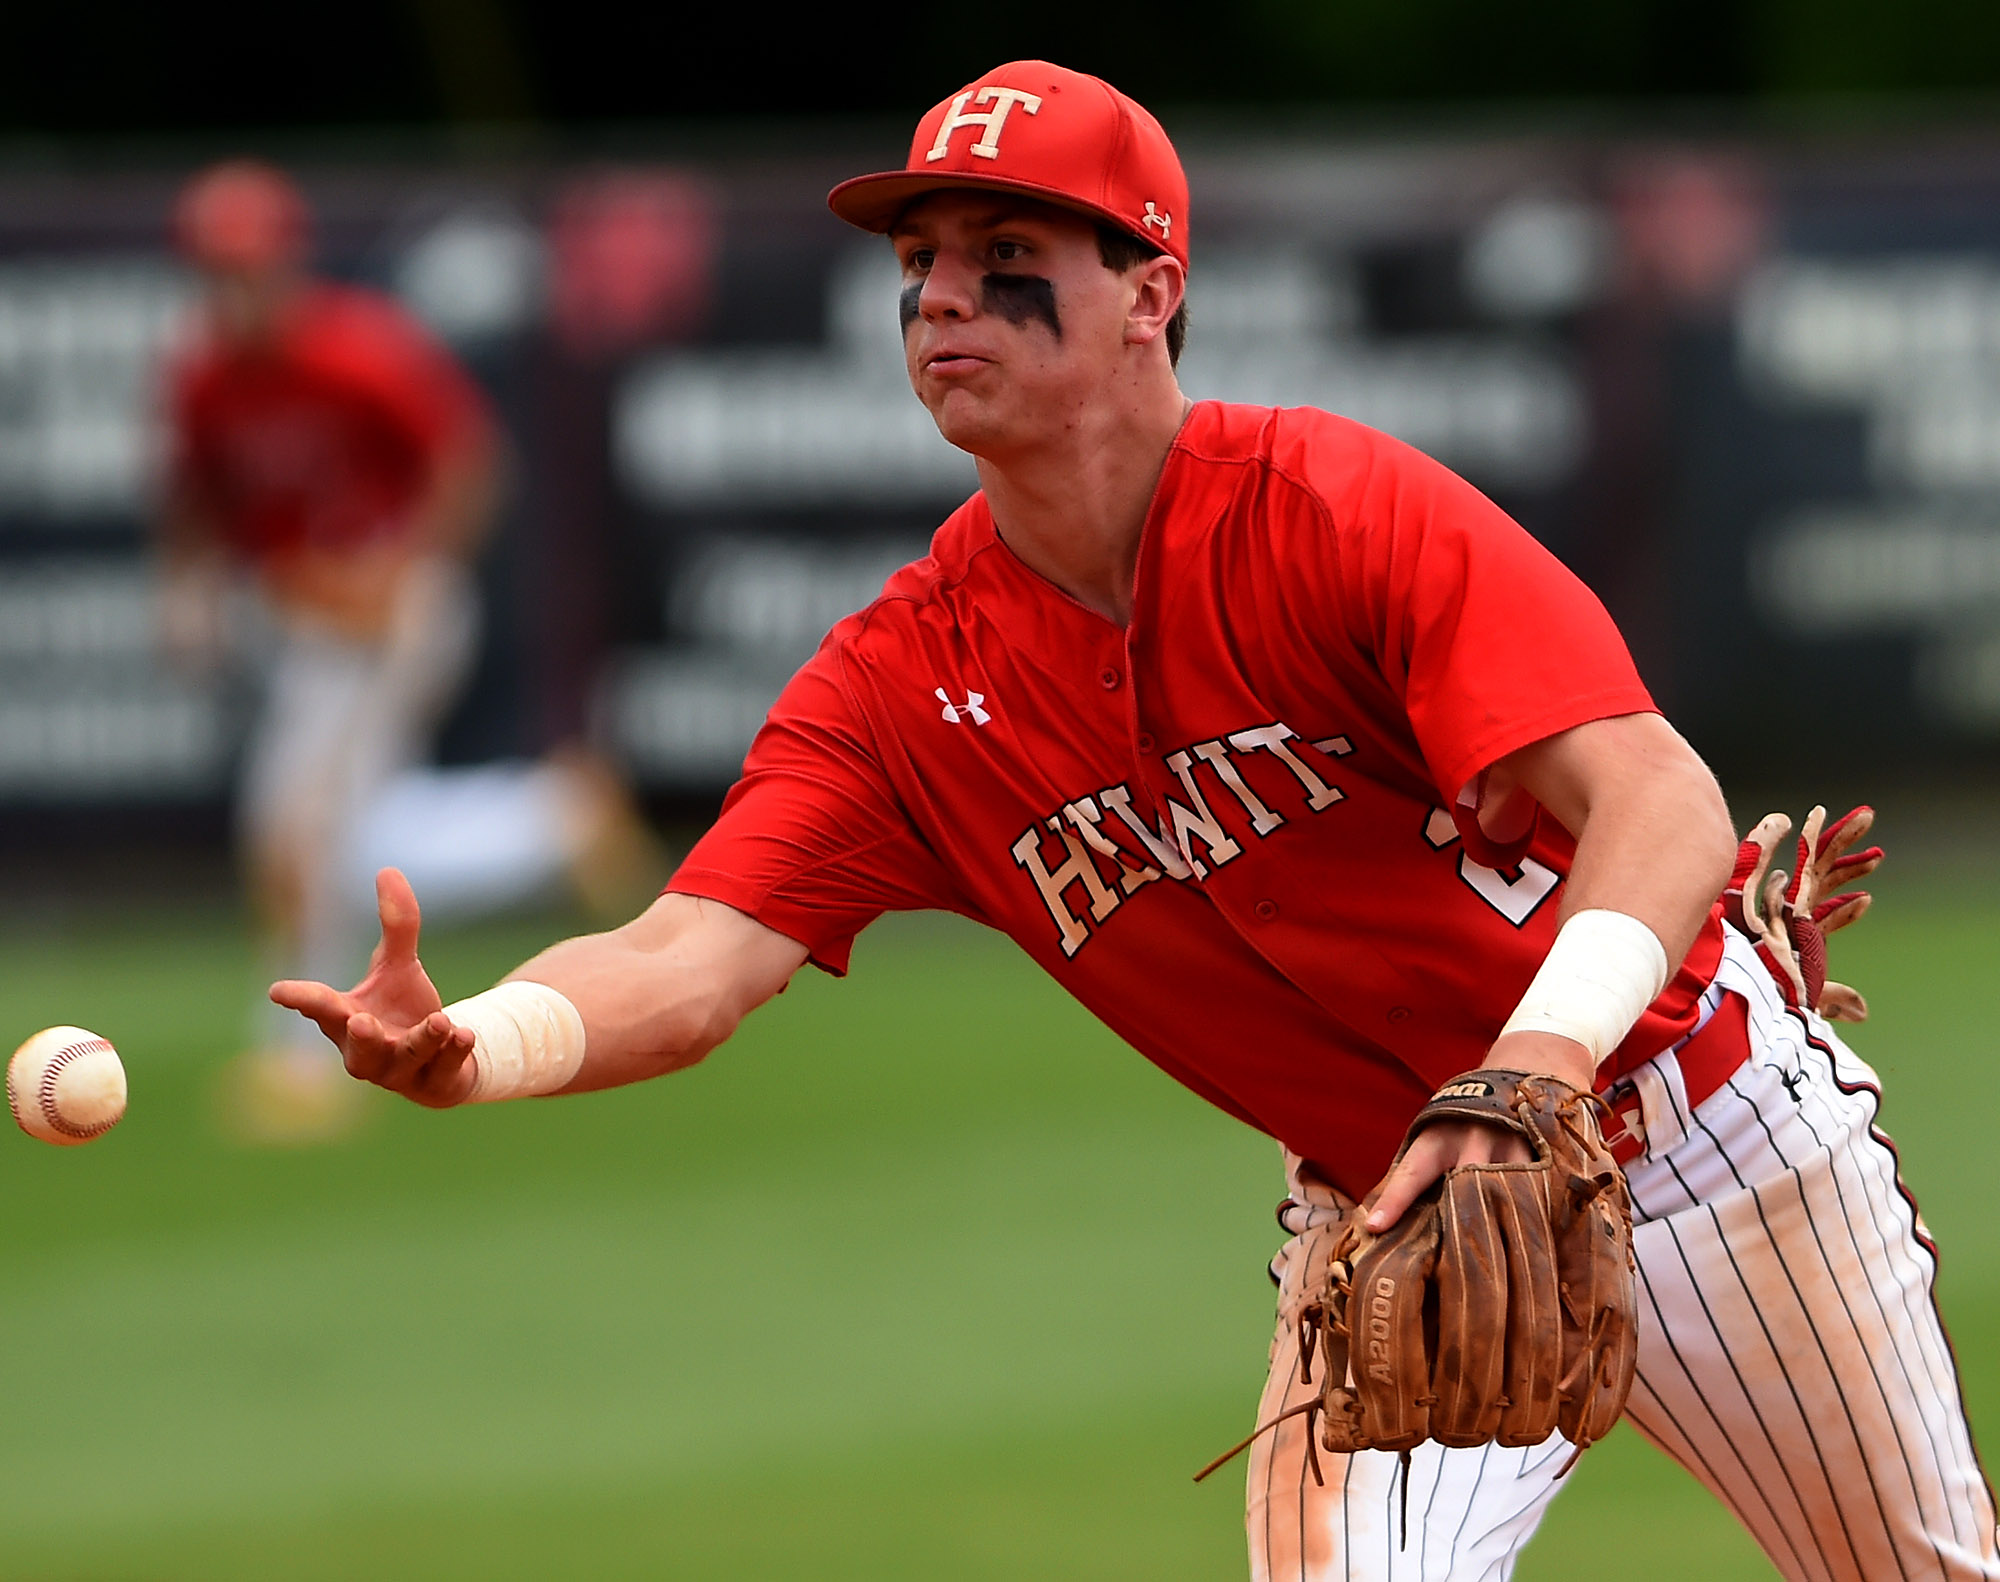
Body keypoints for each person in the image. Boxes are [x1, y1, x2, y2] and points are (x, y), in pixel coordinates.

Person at [272, 64, 1999, 1579]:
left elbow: (1660, 797)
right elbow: (689, 956)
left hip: (1702, 1143)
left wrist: (1534, 1067)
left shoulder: (1332, 508)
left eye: (1005, 260)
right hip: (1387, 1216)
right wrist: (482, 1043)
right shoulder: (895, 685)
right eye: (917, 268)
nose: (944, 300)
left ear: (1148, 291)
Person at [161, 161, 658, 1144]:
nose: (233, 290)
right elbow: (199, 502)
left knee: (301, 827)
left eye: (247, 267)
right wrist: (188, 592)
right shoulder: (207, 377)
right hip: (305, 618)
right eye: (216, 270)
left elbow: (468, 460)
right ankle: (548, 818)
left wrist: (409, 568)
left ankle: (302, 1063)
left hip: (393, 611)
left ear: (285, 264)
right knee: (325, 834)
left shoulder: (354, 350)